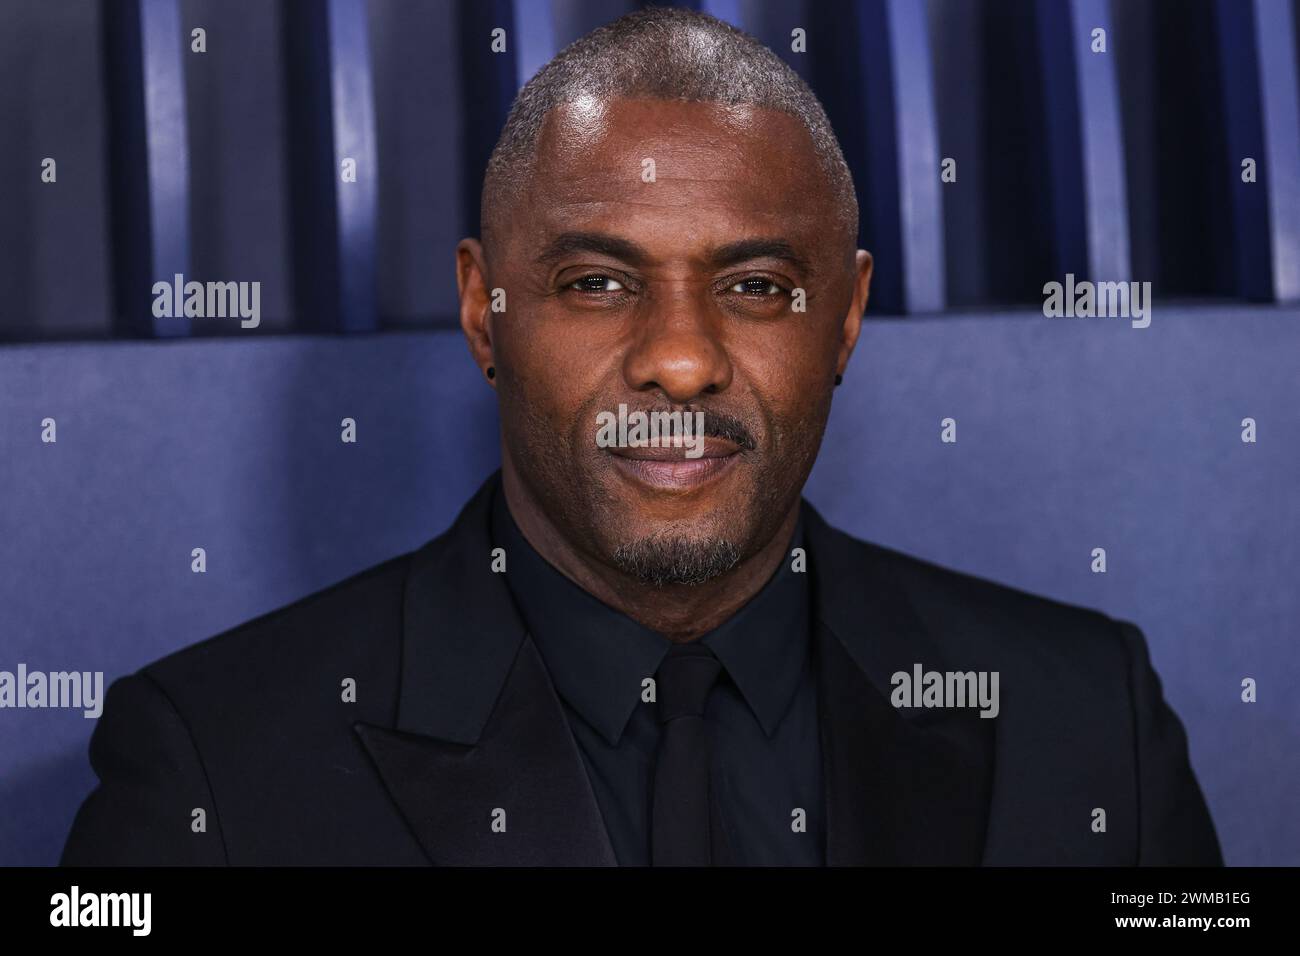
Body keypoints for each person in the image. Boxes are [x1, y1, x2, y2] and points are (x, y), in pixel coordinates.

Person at [62, 7, 1220, 866]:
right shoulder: (211, 763)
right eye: (597, 282)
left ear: (847, 317)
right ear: (485, 309)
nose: (680, 356)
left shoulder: (1083, 716)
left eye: (758, 284)